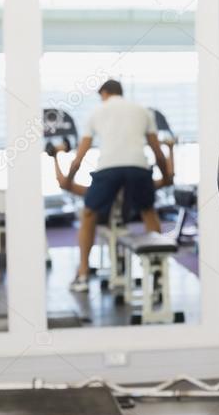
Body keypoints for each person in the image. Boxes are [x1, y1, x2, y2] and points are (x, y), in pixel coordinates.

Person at [65, 80, 172, 293]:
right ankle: (158, 272)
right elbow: (158, 152)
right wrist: (167, 176)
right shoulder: (142, 111)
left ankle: (83, 274)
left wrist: (68, 180)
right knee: (148, 211)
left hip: (108, 168)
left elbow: (79, 157)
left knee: (88, 213)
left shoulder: (96, 112)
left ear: (105, 93)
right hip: (138, 167)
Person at [50, 136, 175, 196]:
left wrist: (55, 156)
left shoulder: (139, 187)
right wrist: (170, 149)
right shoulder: (101, 190)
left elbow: (169, 179)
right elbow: (169, 178)